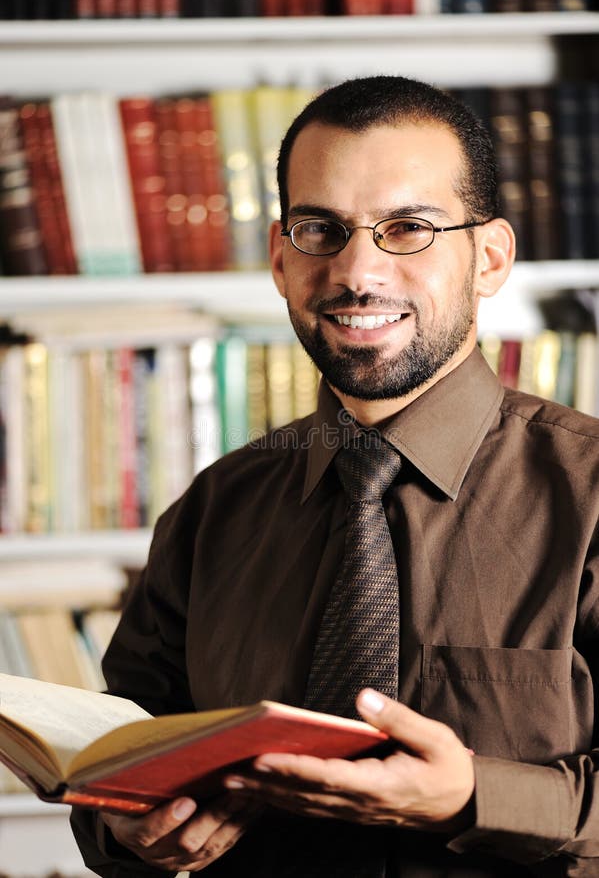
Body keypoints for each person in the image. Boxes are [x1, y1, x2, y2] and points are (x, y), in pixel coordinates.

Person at [72, 75, 599, 876]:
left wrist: (472, 798)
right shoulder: (215, 508)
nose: (358, 270)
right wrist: (128, 830)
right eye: (322, 229)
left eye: (407, 228)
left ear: (488, 258)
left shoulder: (593, 495)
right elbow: (119, 760)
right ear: (281, 260)